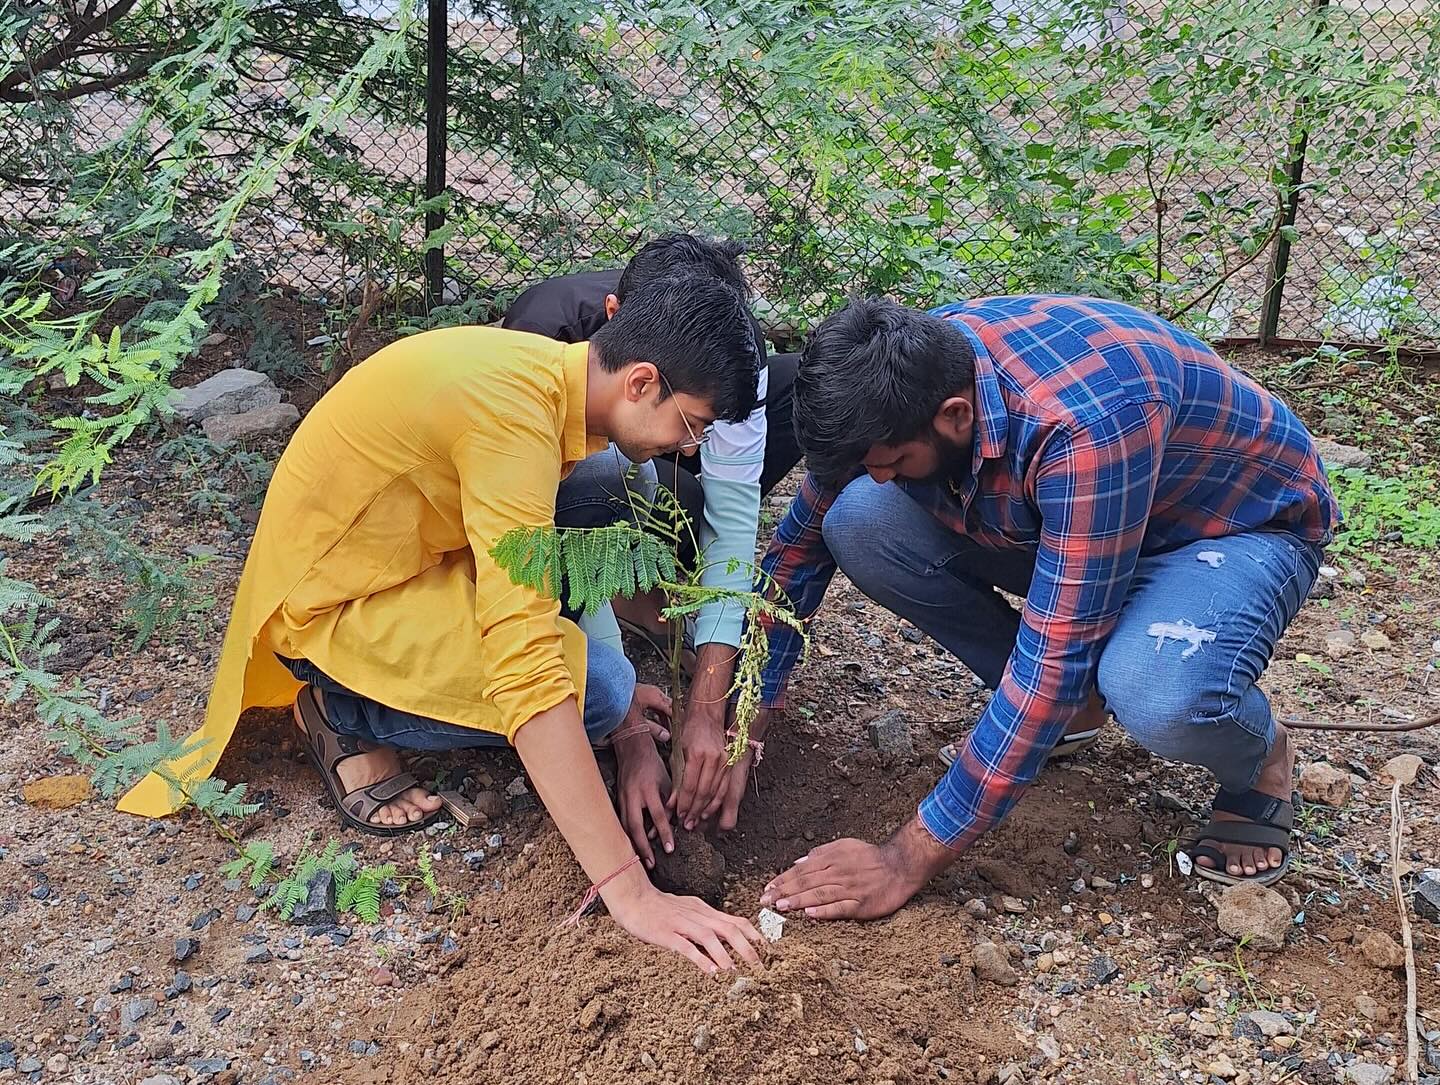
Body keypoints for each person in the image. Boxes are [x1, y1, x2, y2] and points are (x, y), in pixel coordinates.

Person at [118, 279, 764, 973]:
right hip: (331, 602)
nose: (689, 448)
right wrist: (633, 895)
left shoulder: (545, 377)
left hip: (400, 557)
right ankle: (341, 708)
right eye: (692, 424)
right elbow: (526, 673)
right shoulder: (512, 421)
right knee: (598, 690)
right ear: (641, 382)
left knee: (604, 512)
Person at [748, 295, 1338, 921]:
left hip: (1226, 533)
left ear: (954, 417)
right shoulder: (892, 376)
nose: (882, 475)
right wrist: (746, 715)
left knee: (1159, 693)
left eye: (892, 463)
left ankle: (1263, 760)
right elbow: (796, 552)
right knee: (859, 520)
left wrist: (904, 858)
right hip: (1087, 522)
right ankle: (1078, 712)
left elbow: (1053, 657)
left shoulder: (1083, 426)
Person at [504, 234, 804, 834]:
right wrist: (628, 729)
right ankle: (630, 597)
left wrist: (709, 708)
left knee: (697, 481)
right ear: (616, 317)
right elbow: (556, 546)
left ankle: (650, 589)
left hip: (652, 442)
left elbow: (732, 521)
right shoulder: (542, 335)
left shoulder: (731, 353)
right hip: (556, 501)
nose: (696, 447)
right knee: (611, 486)